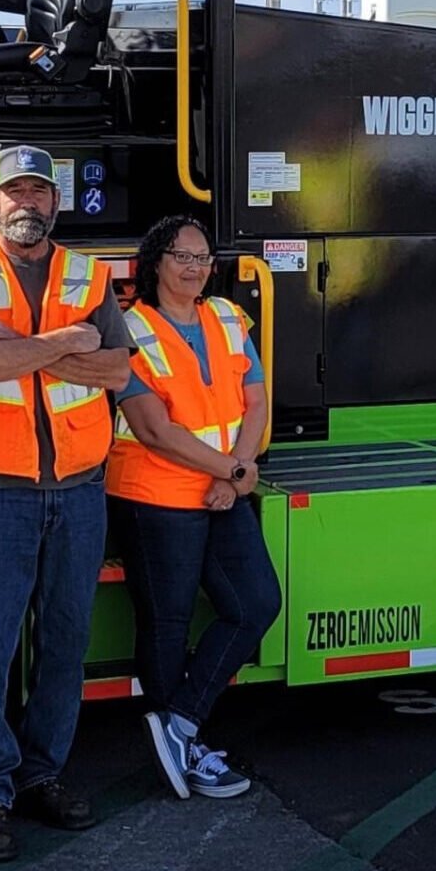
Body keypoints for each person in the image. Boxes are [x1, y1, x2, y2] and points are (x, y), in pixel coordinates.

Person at [0, 146, 135, 862]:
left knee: (64, 642)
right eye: (13, 192)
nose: (27, 203)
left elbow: (116, 368)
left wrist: (23, 345)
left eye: (39, 193)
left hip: (80, 488)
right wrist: (63, 340)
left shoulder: (89, 274)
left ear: (57, 203)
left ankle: (42, 774)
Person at [109, 216, 279, 799]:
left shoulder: (228, 318)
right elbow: (153, 429)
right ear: (155, 262)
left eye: (204, 258)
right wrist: (232, 470)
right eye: (183, 256)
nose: (196, 267)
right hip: (155, 498)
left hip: (221, 492)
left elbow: (255, 402)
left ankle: (178, 726)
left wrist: (235, 473)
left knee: (256, 603)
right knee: (167, 622)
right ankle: (180, 744)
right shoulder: (130, 329)